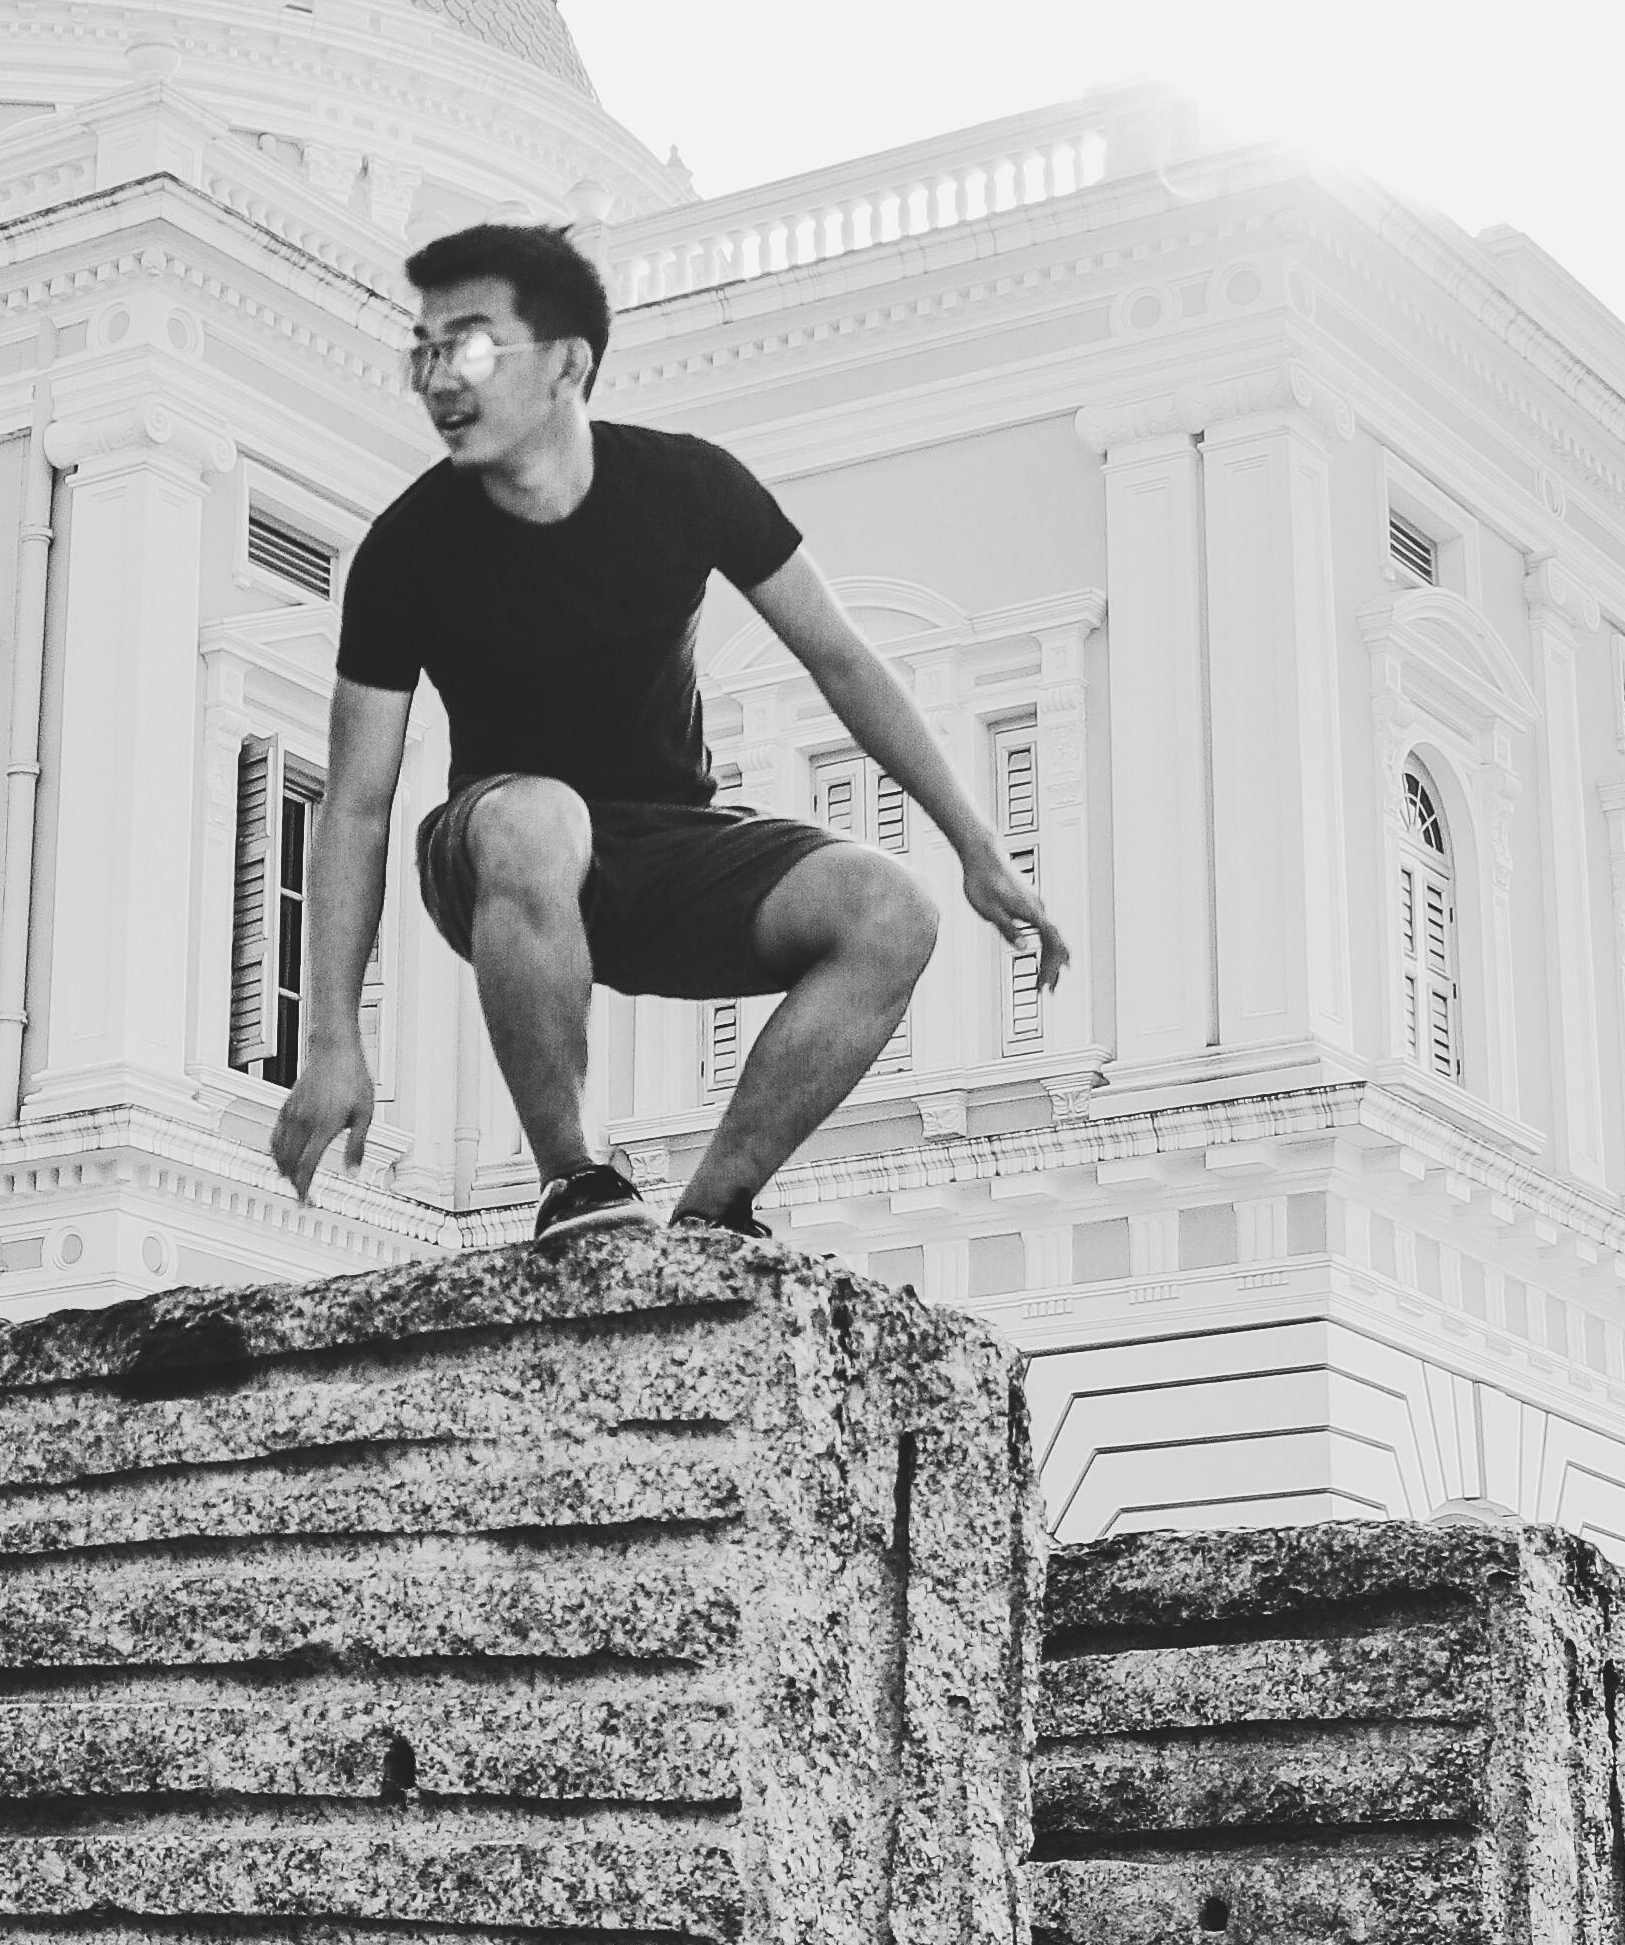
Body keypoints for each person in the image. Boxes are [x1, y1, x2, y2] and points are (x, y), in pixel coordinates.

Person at [270, 217, 1070, 1243]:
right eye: (420, 351)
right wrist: (331, 1036)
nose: (437, 379)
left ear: (567, 362)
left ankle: (714, 1208)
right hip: (494, 852)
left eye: (465, 345)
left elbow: (841, 660)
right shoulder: (406, 552)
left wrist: (978, 846)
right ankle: (573, 1180)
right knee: (538, 816)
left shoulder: (687, 487)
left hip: (670, 851)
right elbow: (359, 802)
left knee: (891, 912)